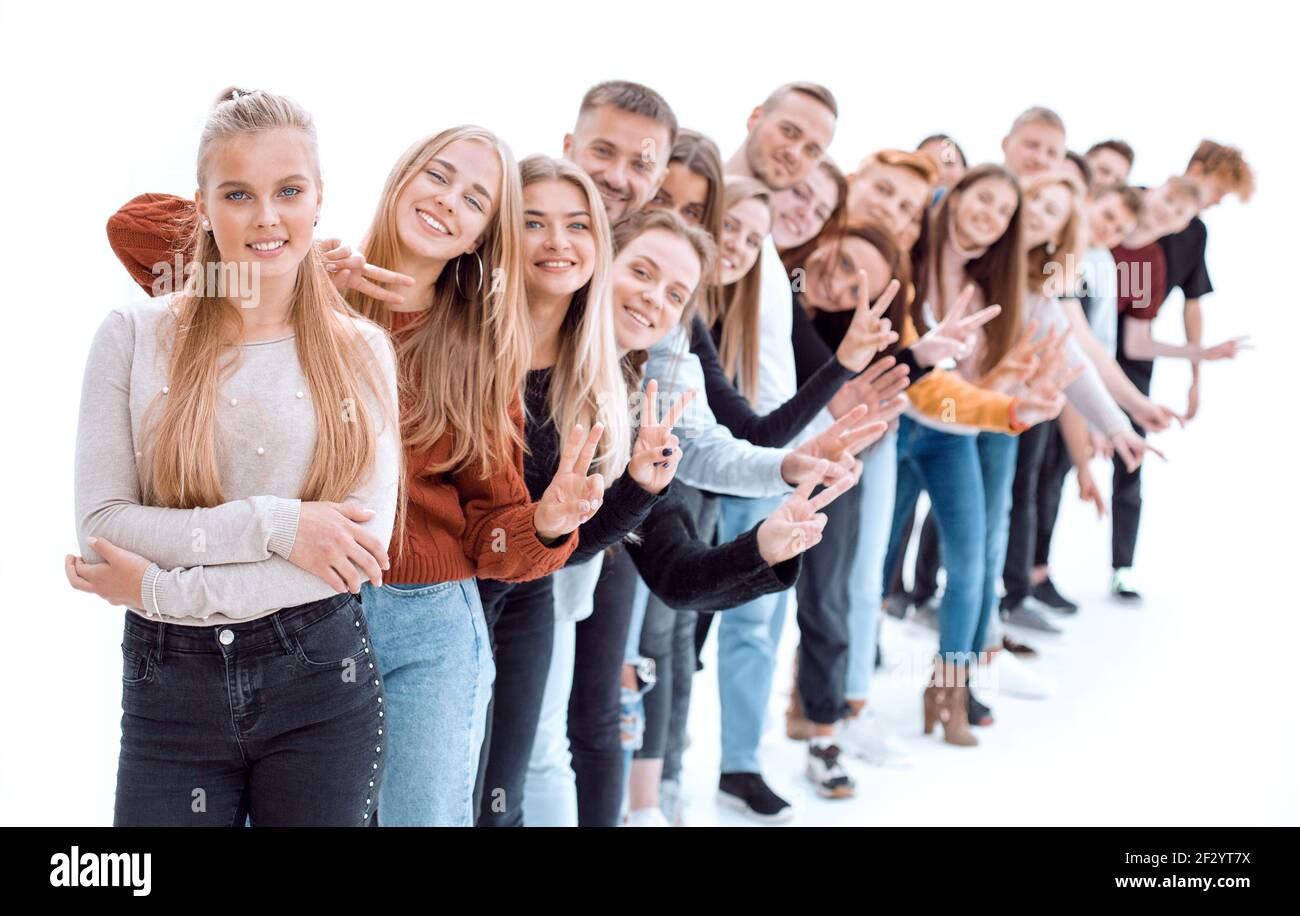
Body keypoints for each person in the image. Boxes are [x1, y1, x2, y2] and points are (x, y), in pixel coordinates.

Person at [69, 88, 402, 826]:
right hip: (169, 692)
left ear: (319, 201)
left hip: (321, 679)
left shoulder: (363, 351)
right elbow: (103, 525)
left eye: (288, 191)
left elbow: (355, 552)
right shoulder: (132, 334)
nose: (266, 217)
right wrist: (279, 524)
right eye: (238, 194)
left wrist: (160, 592)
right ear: (203, 205)